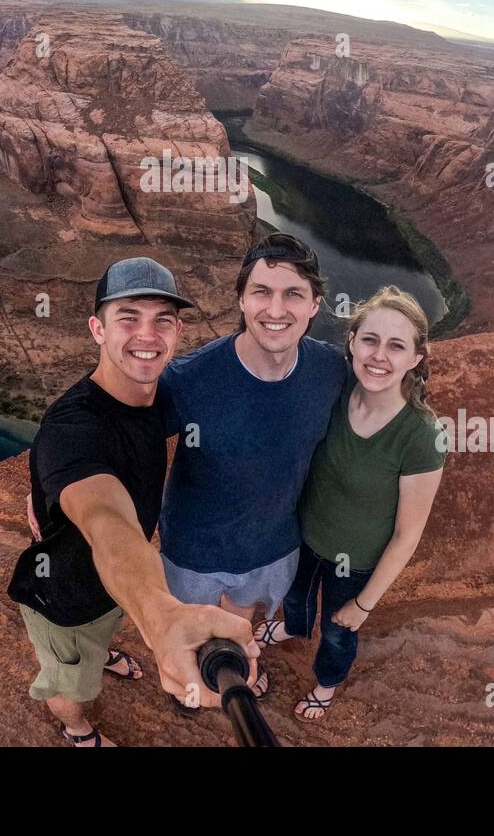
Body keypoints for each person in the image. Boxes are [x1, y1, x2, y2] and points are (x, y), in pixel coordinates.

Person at [7, 256, 258, 746]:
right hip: (67, 601)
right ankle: (77, 731)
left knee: (105, 630)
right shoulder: (73, 428)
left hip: (116, 593)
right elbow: (106, 523)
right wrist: (161, 618)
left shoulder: (152, 395)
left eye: (162, 320)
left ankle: (101, 652)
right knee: (71, 685)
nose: (147, 335)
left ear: (178, 331)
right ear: (97, 328)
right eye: (128, 318)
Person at [157, 233, 348, 704]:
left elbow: (383, 414)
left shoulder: (331, 371)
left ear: (314, 305)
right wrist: (49, 475)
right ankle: (194, 678)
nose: (275, 309)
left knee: (246, 619)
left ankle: (238, 659)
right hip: (193, 549)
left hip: (273, 544)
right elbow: (112, 421)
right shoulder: (190, 379)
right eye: (261, 292)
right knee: (196, 626)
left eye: (292, 294)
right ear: (241, 299)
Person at [253, 286, 446, 720]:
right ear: (353, 342)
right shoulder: (335, 390)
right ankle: (293, 627)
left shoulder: (422, 436)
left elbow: (407, 535)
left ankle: (327, 683)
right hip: (303, 537)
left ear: (416, 358)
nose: (379, 356)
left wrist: (364, 605)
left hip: (357, 562)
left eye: (397, 345)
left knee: (340, 628)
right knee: (297, 598)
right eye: (370, 340)